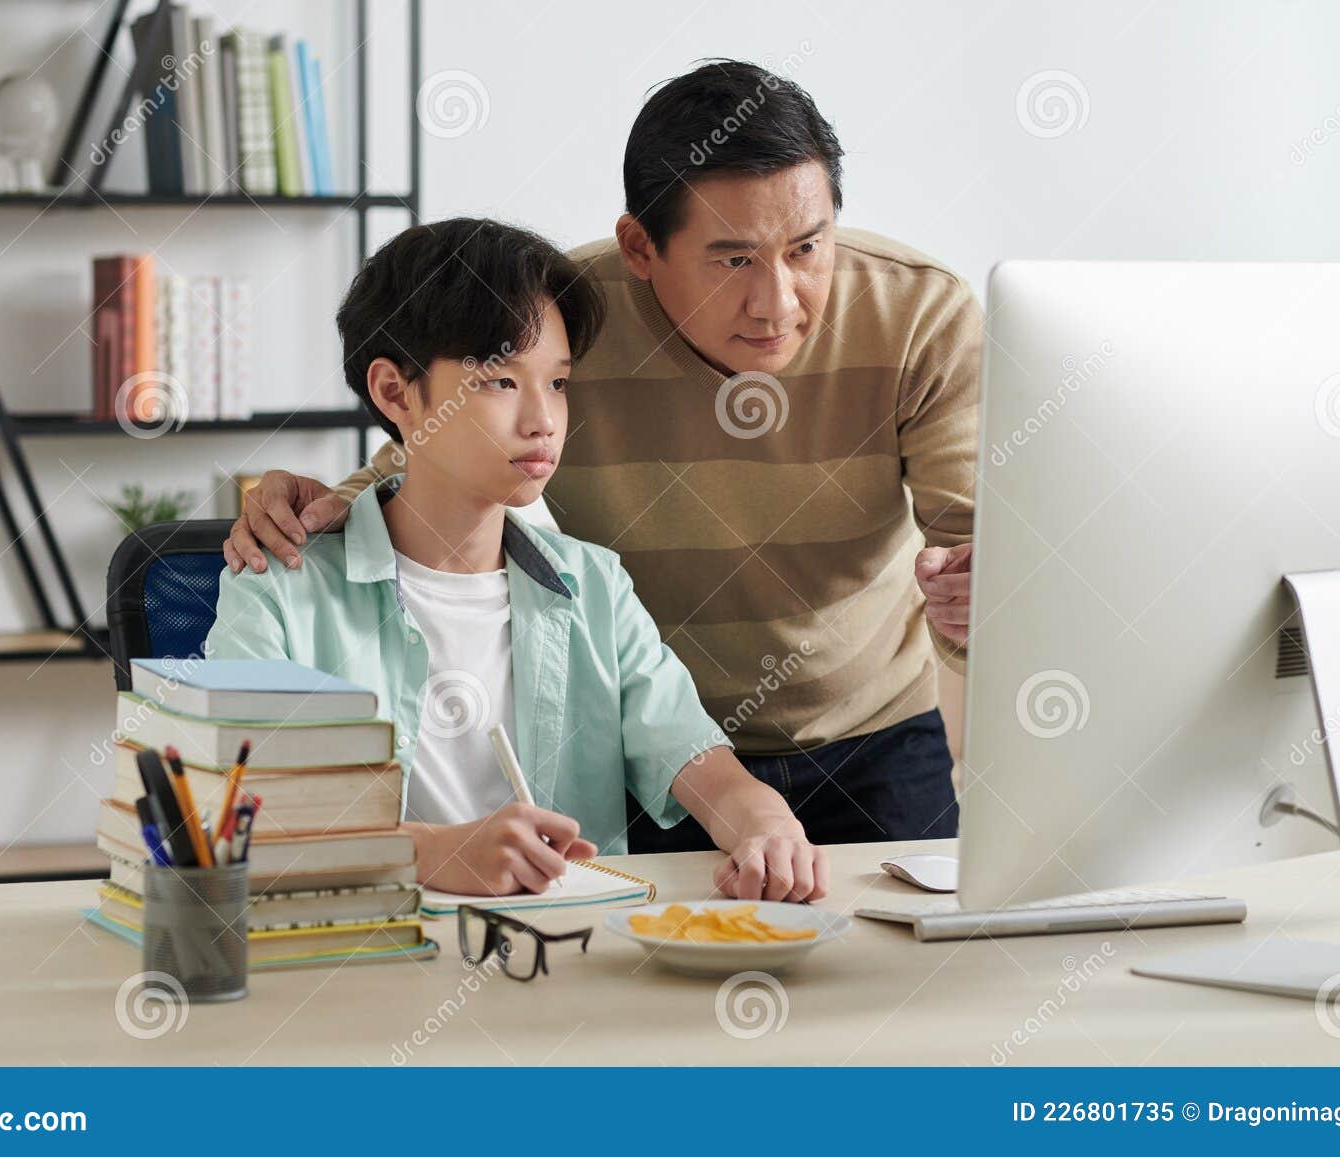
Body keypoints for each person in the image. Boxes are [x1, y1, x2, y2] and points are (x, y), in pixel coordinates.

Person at [223, 60, 980, 852]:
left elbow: (982, 563)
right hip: (651, 760)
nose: (777, 303)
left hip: (870, 733)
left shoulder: (920, 314)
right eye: (733, 260)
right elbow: (432, 433)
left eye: (807, 248)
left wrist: (983, 599)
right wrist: (314, 508)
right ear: (641, 248)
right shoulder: (561, 310)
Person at [204, 217, 828, 902]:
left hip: (571, 949)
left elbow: (699, 762)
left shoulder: (593, 585)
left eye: (557, 383)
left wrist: (766, 824)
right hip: (369, 948)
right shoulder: (277, 590)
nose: (544, 420)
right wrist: (432, 852)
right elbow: (229, 821)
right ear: (394, 392)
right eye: (501, 381)